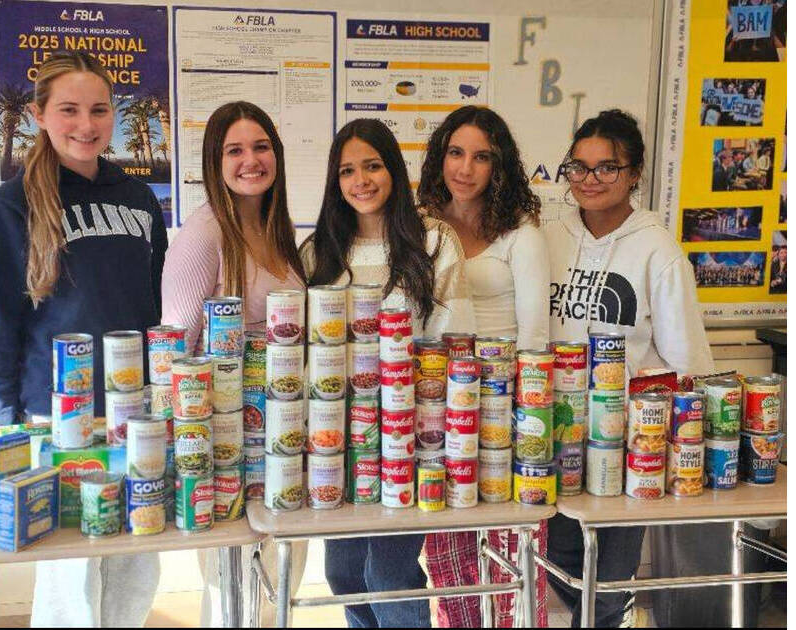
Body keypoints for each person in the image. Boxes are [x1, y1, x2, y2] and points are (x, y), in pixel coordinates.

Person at [0, 51, 169, 627]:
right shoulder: (11, 206)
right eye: (69, 110)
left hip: (135, 415)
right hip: (56, 420)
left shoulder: (136, 199)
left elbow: (154, 310)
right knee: (70, 578)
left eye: (99, 110)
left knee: (136, 562)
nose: (86, 124)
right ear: (38, 115)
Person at [543, 109, 715, 627]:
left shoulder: (658, 251)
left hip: (627, 439)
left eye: (606, 168)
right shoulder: (549, 239)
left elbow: (687, 358)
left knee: (609, 581)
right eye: (579, 167)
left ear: (634, 172)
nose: (590, 180)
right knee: (559, 563)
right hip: (552, 432)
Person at [302, 118, 475, 628]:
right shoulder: (320, 253)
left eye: (373, 166)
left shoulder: (434, 242)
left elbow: (453, 339)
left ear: (394, 171)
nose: (362, 180)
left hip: (409, 433)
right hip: (339, 438)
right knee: (343, 572)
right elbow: (311, 354)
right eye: (348, 170)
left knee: (390, 572)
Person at [157, 100, 308, 627]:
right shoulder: (204, 234)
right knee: (230, 585)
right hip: (226, 441)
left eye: (261, 146)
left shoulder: (280, 232)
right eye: (235, 150)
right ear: (214, 162)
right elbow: (174, 349)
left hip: (283, 431)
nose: (251, 160)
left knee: (280, 574)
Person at [416, 105, 551, 628]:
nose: (465, 169)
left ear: (500, 167)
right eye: (455, 153)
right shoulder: (420, 225)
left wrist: (514, 411)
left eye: (480, 157)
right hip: (435, 406)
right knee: (449, 553)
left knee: (511, 553)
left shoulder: (522, 235)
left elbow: (536, 338)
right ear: (440, 157)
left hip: (504, 412)